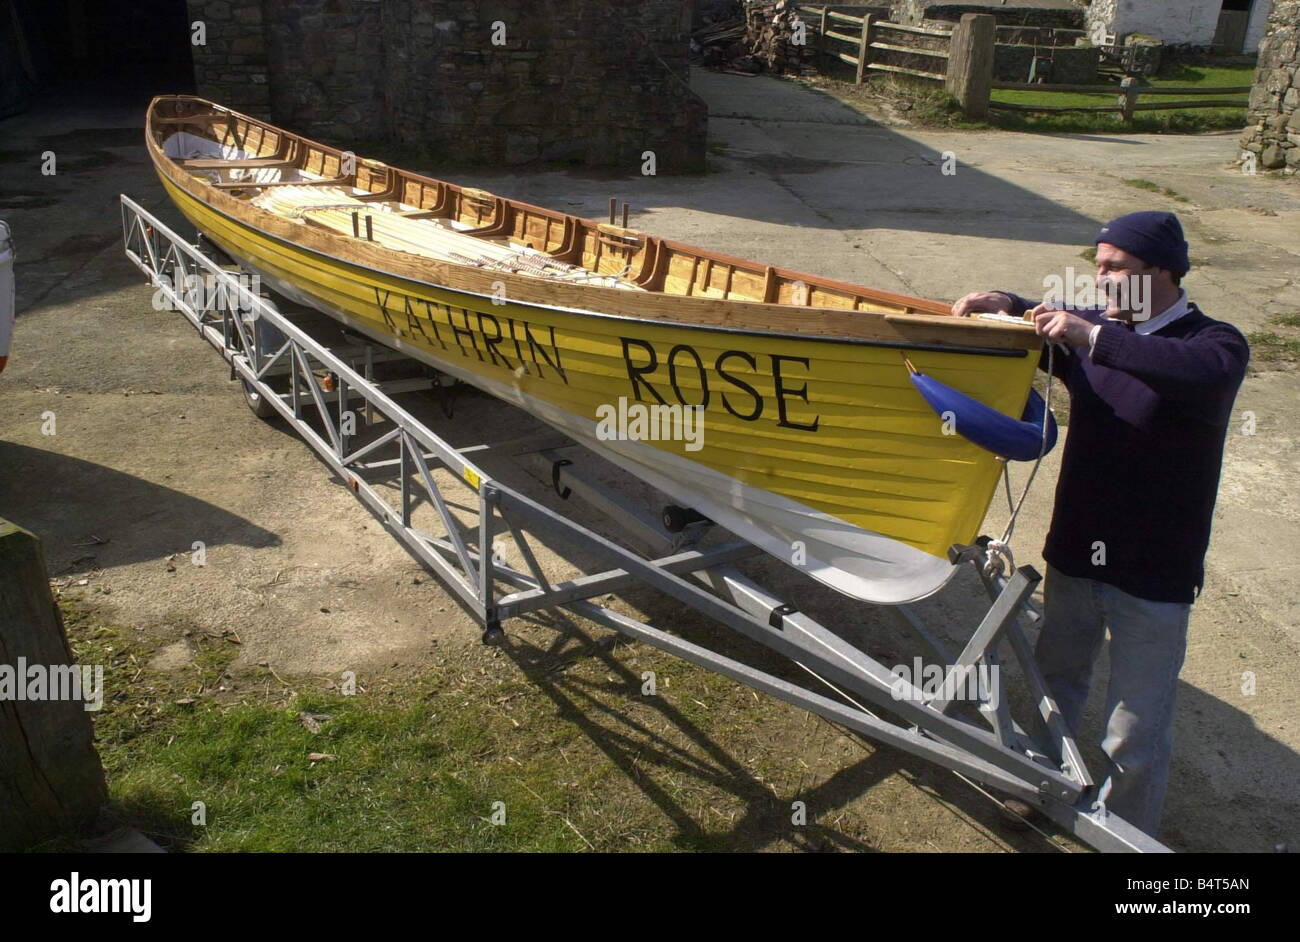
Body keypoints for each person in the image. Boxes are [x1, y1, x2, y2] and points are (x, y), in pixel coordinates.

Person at [950, 211, 1249, 837]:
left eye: (1115, 268)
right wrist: (1008, 303)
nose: (1102, 279)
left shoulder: (1214, 345)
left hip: (1155, 572)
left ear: (1160, 270)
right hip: (1077, 550)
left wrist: (1090, 337)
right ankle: (1036, 786)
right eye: (1099, 266)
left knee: (1135, 726)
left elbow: (1192, 372)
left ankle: (1124, 836)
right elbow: (1050, 316)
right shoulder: (1099, 330)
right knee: (1053, 681)